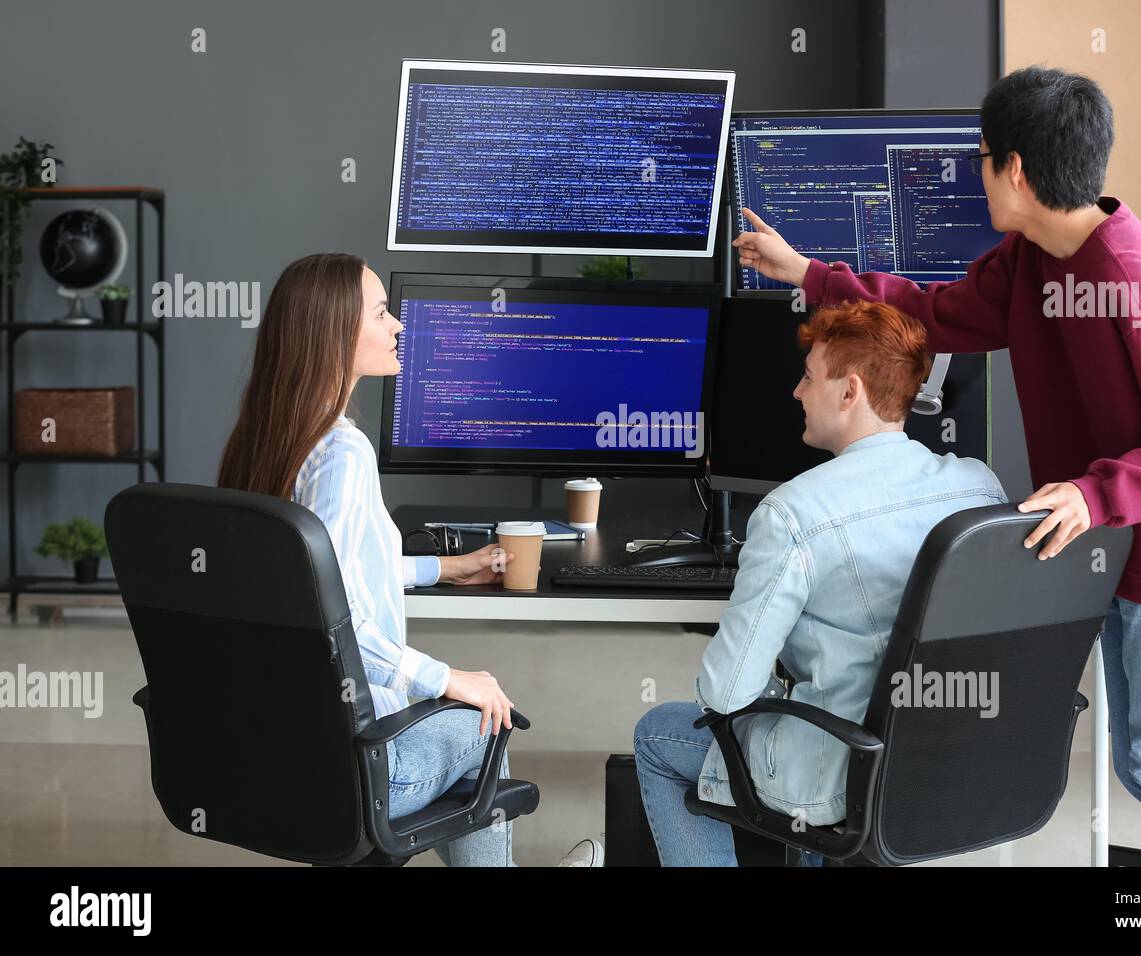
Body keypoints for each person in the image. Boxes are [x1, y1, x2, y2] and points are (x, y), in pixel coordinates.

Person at [732, 66, 1141, 867]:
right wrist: (814, 276)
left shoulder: (1135, 281)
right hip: (1110, 541)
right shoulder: (1030, 257)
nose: (978, 172)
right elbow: (935, 313)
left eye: (981, 157)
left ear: (1016, 170)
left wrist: (1096, 492)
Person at [218, 252, 603, 867]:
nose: (399, 324)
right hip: (350, 768)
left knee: (462, 715)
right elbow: (331, 617)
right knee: (487, 723)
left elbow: (317, 573)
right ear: (335, 333)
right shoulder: (342, 452)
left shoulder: (265, 442)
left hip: (272, 753)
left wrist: (444, 569)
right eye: (380, 312)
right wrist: (446, 678)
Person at [633, 299, 1007, 866]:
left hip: (846, 775)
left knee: (658, 732)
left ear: (849, 390)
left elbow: (725, 694)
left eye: (809, 377)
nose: (797, 392)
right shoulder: (978, 484)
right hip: (956, 759)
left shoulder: (792, 513)